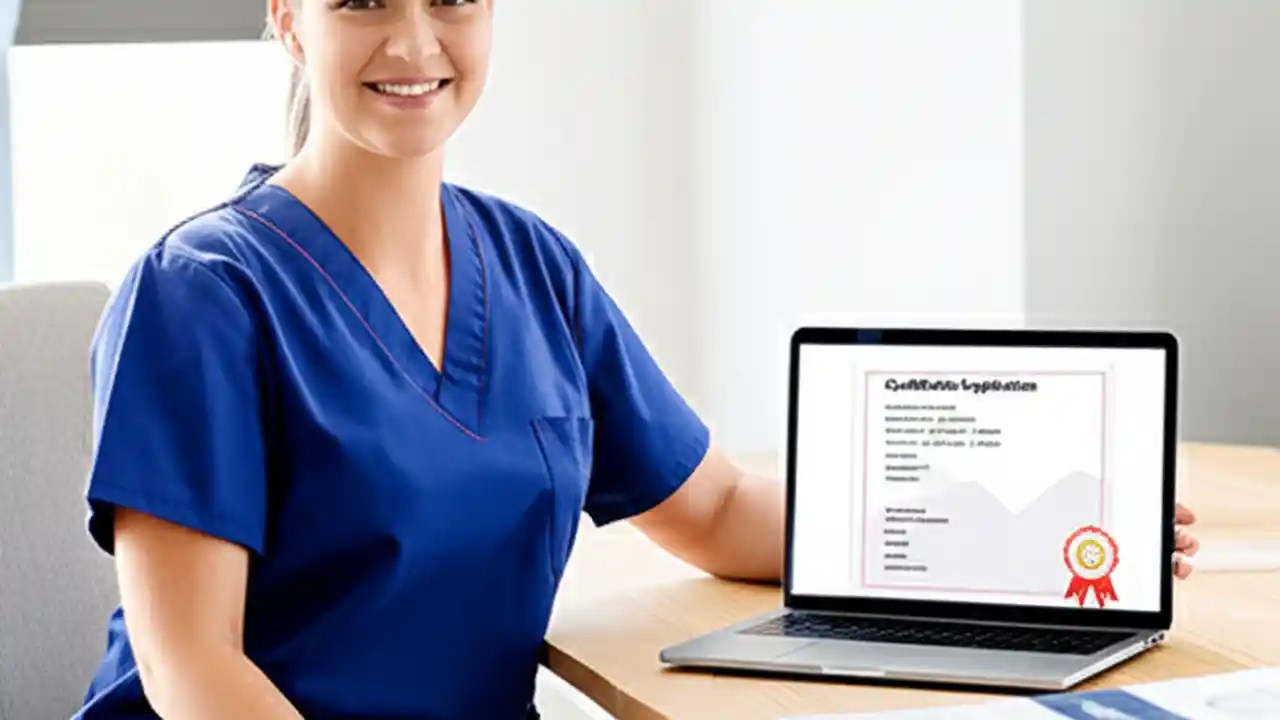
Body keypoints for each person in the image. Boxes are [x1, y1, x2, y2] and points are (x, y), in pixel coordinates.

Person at [73, 2, 1200, 718]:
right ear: (286, 17)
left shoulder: (531, 267)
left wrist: (1030, 531)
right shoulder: (201, 294)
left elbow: (712, 507)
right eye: (364, 0)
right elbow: (194, 677)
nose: (414, 42)